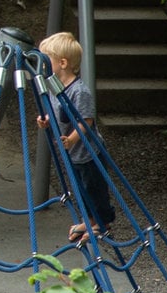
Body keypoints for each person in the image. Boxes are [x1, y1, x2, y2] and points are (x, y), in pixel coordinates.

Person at [38, 32, 114, 241]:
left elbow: (86, 120)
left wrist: (72, 139)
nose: (43, 66)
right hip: (72, 153)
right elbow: (55, 112)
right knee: (79, 188)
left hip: (89, 152)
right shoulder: (55, 88)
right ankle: (89, 220)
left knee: (94, 187)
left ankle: (102, 222)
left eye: (47, 61)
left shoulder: (78, 91)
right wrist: (45, 119)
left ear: (62, 63)